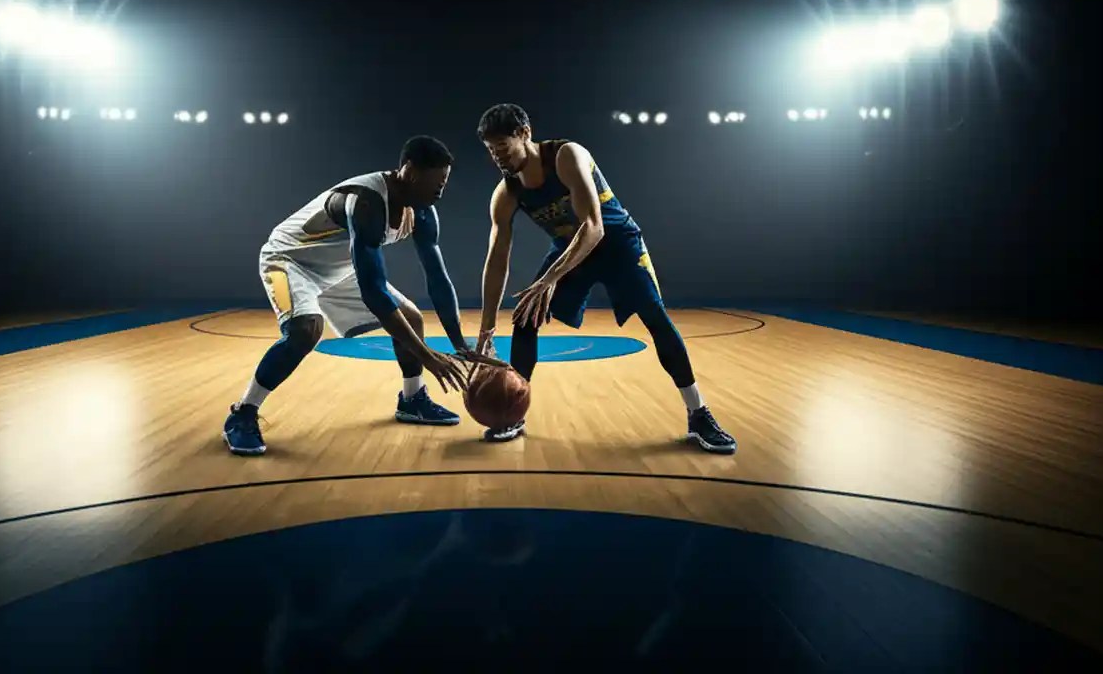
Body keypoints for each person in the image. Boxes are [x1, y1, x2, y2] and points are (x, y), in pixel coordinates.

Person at [472, 103, 736, 453]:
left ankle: (698, 413)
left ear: (525, 134)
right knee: (525, 317)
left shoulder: (567, 155)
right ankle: (514, 411)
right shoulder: (506, 194)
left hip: (618, 244)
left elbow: (593, 228)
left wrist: (549, 280)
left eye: (502, 148)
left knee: (656, 319)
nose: (498, 159)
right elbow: (496, 260)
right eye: (491, 152)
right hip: (570, 251)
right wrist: (486, 330)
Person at [223, 135, 499, 455]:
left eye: (445, 182)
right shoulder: (367, 201)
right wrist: (426, 356)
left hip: (338, 270)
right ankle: (242, 413)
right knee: (305, 329)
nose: (440, 190)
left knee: (410, 316)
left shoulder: (422, 213)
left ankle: (412, 400)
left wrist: (459, 344)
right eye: (435, 181)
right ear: (409, 171)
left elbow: (437, 278)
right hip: (289, 259)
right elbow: (373, 291)